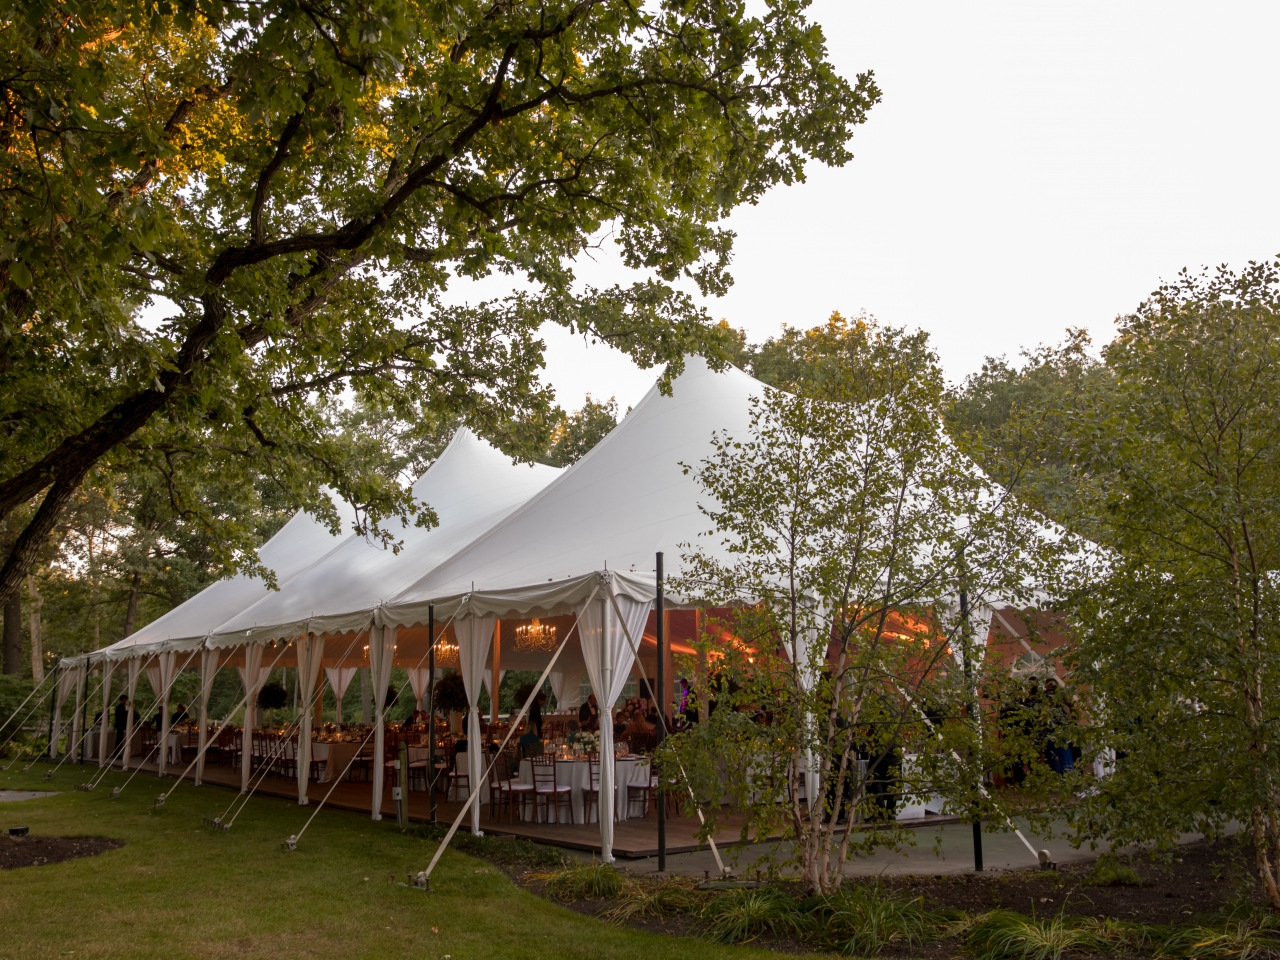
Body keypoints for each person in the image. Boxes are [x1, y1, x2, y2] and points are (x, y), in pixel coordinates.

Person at [112, 694, 129, 761]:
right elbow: (121, 716)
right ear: (122, 700)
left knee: (120, 739)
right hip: (120, 725)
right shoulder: (119, 707)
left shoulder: (122, 707)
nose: (126, 701)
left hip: (121, 725)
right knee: (119, 739)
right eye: (125, 699)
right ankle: (116, 753)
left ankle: (117, 753)